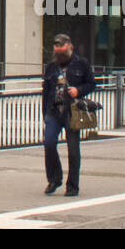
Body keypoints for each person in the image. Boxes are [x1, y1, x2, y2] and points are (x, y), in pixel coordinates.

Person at [41, 34, 95, 197]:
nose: (58, 49)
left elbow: (92, 84)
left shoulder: (81, 64)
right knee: (49, 143)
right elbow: (46, 91)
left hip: (72, 112)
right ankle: (54, 179)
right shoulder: (51, 67)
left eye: (61, 46)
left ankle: (72, 186)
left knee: (73, 150)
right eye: (56, 46)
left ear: (70, 46)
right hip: (53, 111)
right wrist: (44, 113)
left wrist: (79, 90)